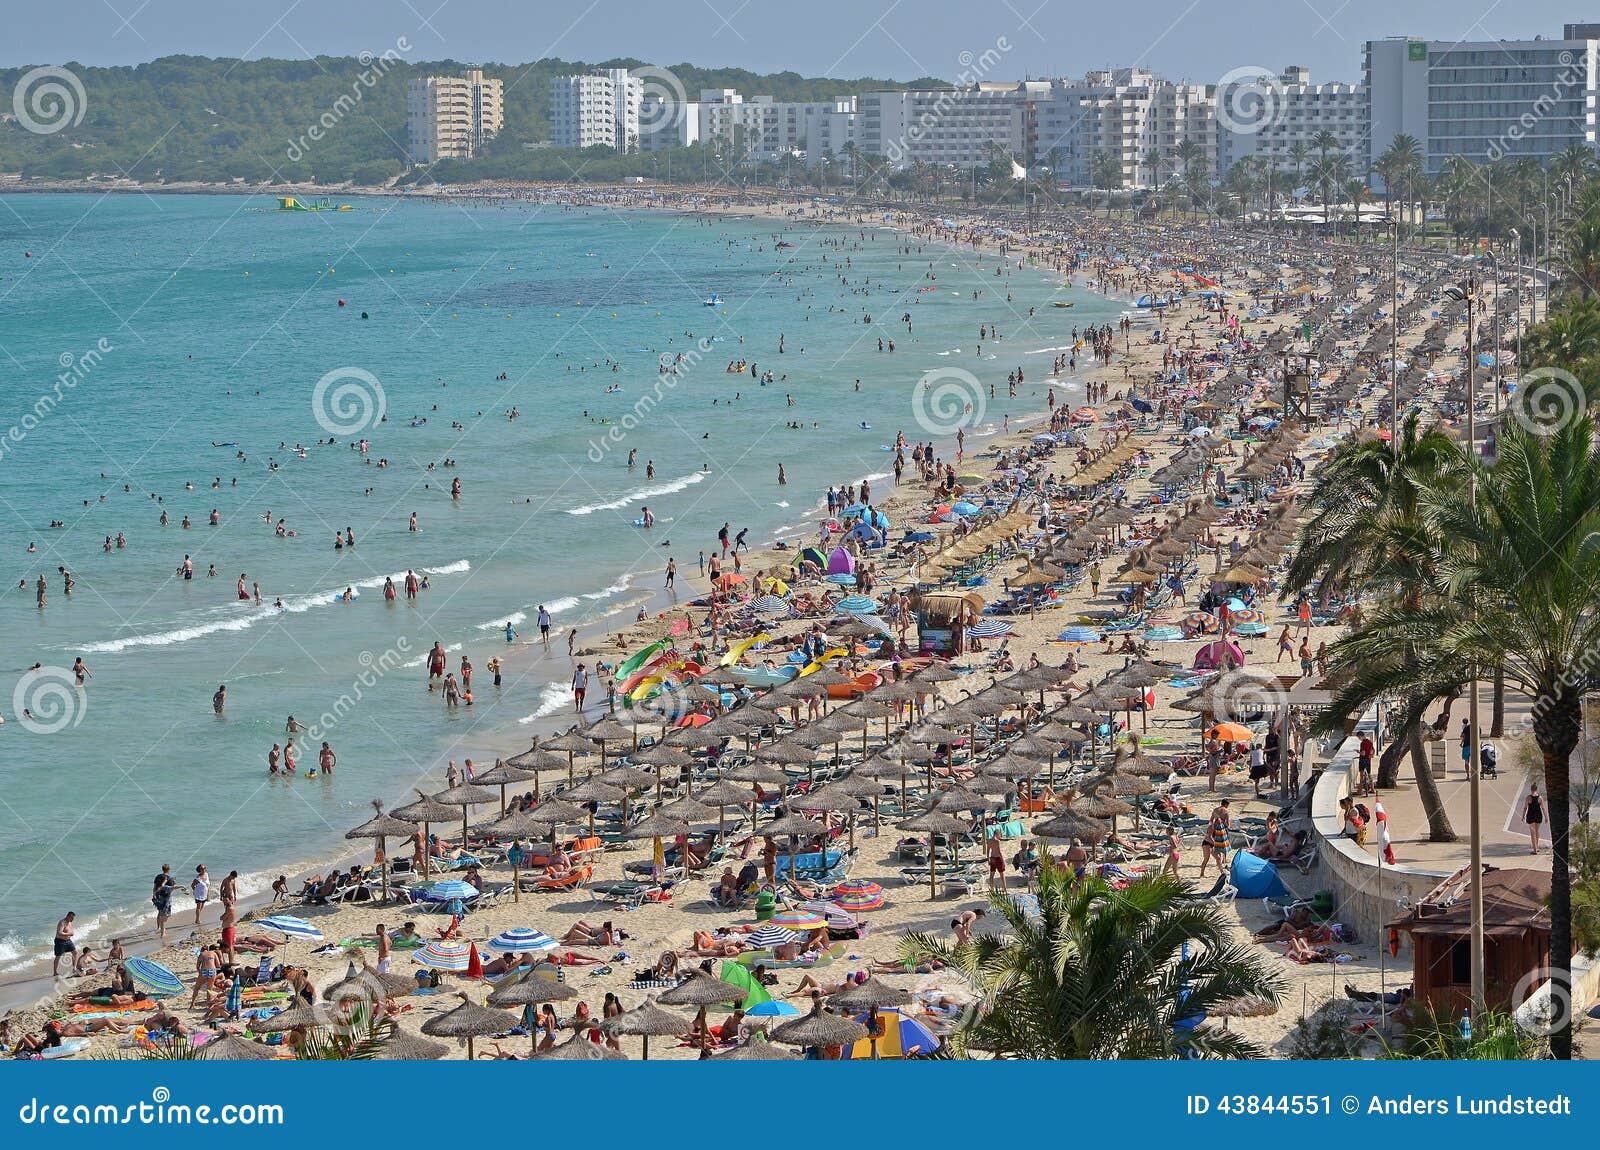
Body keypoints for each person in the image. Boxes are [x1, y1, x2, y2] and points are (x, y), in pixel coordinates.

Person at [151, 865, 176, 941]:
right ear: (169, 869)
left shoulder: (158, 877)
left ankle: (159, 928)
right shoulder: (170, 879)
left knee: (160, 912)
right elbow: (172, 889)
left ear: (162, 869)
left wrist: (154, 894)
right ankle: (163, 931)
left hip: (158, 896)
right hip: (166, 898)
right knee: (164, 915)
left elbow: (154, 886)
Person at [51, 912, 76, 977]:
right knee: (58, 956)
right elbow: (59, 932)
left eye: (73, 918)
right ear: (68, 916)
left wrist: (70, 933)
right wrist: (69, 934)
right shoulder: (62, 922)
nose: (72, 920)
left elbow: (69, 930)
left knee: (75, 952)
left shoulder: (70, 922)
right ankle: (55, 972)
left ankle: (74, 968)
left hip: (68, 941)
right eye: (71, 918)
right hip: (60, 941)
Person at [1524, 784, 1545, 854]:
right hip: (1538, 815)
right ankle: (1537, 847)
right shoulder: (1540, 798)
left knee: (1532, 833)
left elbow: (1525, 808)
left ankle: (1535, 849)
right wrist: (1546, 817)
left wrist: (1523, 815)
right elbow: (1543, 808)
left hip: (1530, 815)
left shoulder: (1528, 798)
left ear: (1531, 789)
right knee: (1537, 831)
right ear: (1536, 789)